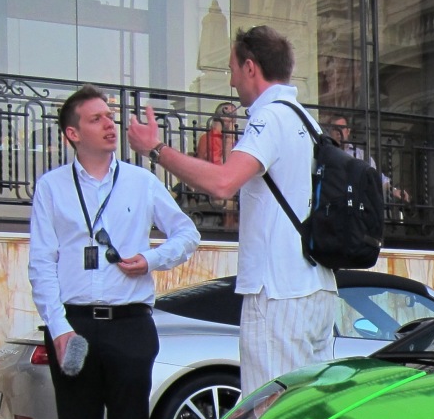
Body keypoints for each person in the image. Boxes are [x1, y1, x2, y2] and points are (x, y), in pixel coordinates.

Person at [28, 84, 201, 419]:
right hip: (75, 323)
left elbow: (188, 234)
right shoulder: (51, 188)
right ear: (71, 133)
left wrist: (150, 259)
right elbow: (41, 264)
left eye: (110, 116)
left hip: (129, 322)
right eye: (96, 118)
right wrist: (60, 330)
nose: (110, 125)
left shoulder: (141, 184)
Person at [127, 25, 337, 396]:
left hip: (278, 292)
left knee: (270, 413)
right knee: (305, 413)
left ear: (251, 68)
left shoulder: (268, 117)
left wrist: (156, 149)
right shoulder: (306, 120)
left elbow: (224, 182)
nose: (232, 81)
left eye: (232, 70)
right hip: (315, 288)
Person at [326, 114, 408, 202]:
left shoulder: (361, 155)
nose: (339, 132)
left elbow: (377, 178)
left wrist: (394, 191)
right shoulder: (325, 154)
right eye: (335, 128)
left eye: (342, 128)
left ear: (348, 131)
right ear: (329, 132)